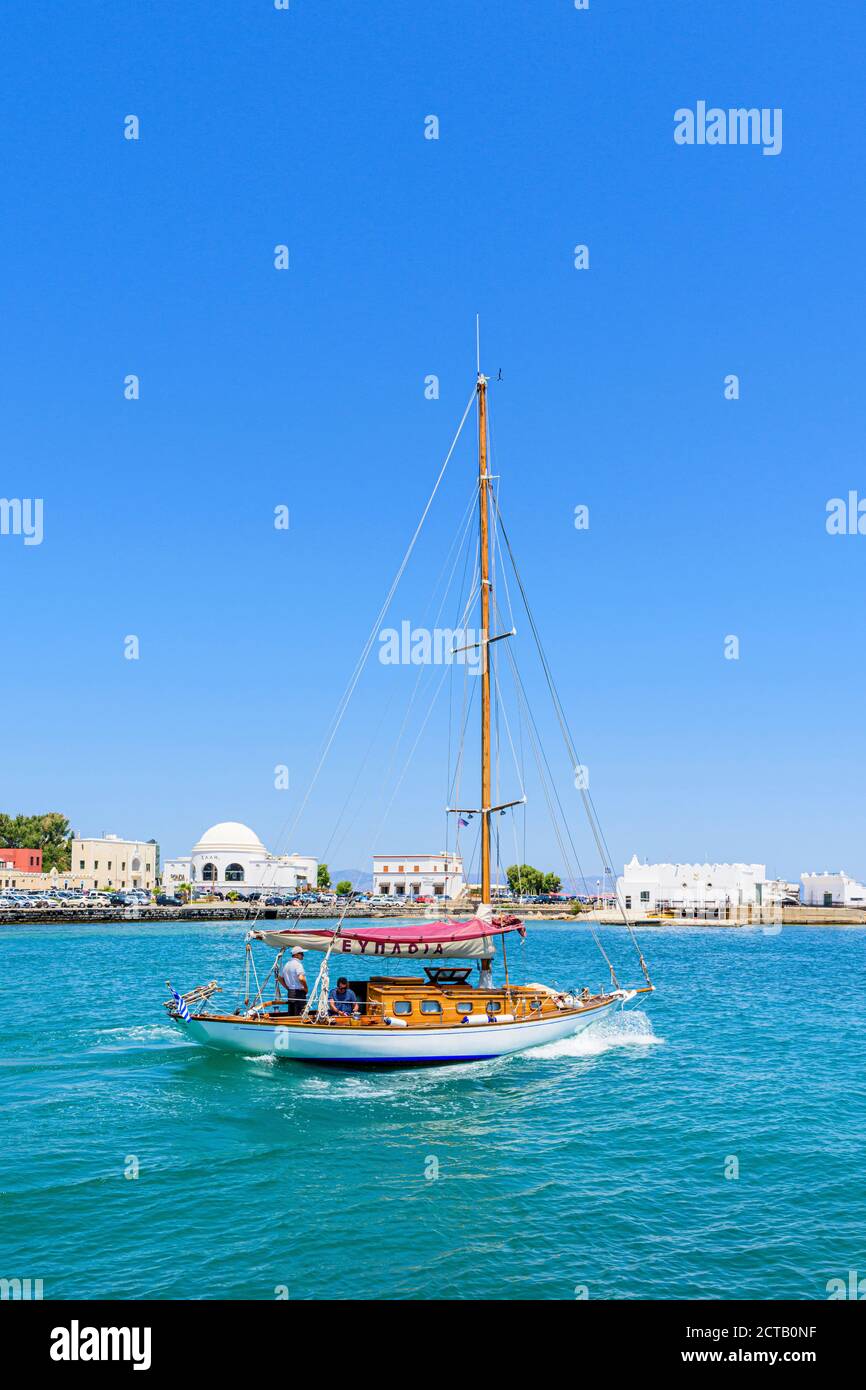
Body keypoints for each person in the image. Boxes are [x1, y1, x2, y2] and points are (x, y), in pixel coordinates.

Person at [279, 947, 308, 1016]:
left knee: (292, 1014)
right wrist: (306, 988)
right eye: (301, 953)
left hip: (290, 993)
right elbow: (301, 978)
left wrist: (287, 987)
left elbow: (280, 978)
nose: (303, 955)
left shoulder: (287, 964)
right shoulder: (298, 964)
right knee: (300, 1014)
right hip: (299, 993)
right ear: (296, 955)